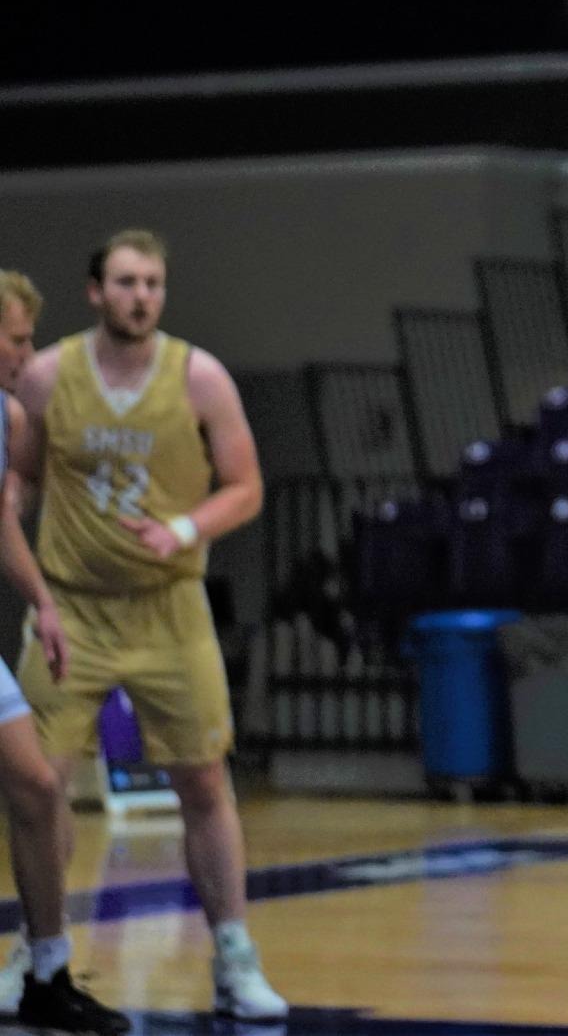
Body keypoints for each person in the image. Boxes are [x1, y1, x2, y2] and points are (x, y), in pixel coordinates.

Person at [4, 231, 289, 1018]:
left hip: (169, 607)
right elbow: (15, 480)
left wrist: (185, 529)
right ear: (95, 291)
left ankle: (234, 956)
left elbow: (246, 486)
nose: (142, 295)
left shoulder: (199, 376)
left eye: (154, 283)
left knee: (204, 779)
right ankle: (38, 948)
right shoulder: (47, 375)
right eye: (127, 281)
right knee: (41, 784)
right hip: (72, 607)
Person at [0, 272, 129, 1034]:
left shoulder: (5, 415)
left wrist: (44, 602)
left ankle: (48, 971)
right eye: (17, 336)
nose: (28, 350)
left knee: (39, 789)